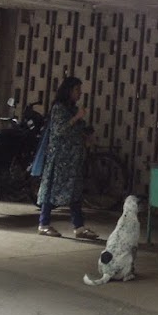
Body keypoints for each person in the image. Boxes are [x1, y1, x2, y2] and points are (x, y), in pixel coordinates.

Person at [36, 76, 97, 239]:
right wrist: (77, 117)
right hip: (60, 160)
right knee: (52, 190)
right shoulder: (59, 108)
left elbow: (79, 128)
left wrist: (87, 135)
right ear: (68, 90)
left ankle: (79, 226)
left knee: (75, 192)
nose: (80, 93)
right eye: (77, 89)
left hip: (73, 160)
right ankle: (44, 223)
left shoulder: (72, 108)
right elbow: (59, 130)